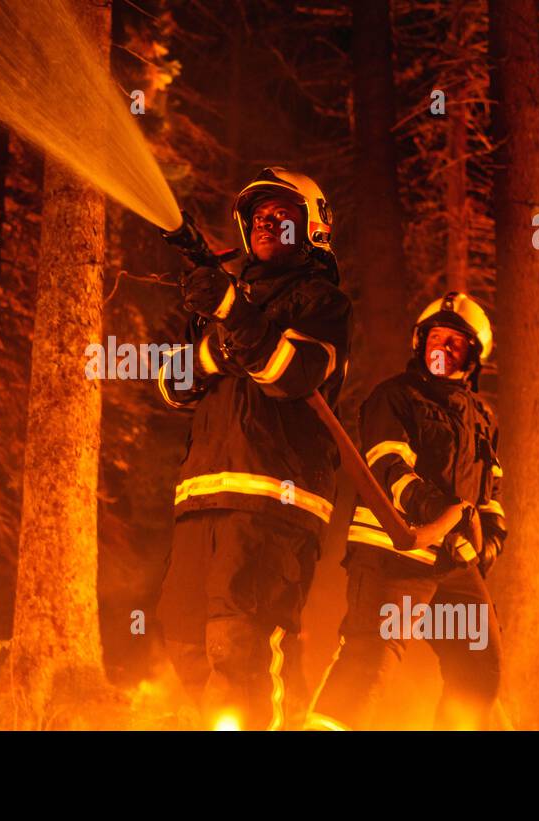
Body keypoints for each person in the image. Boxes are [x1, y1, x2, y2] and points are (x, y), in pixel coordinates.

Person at [156, 168, 352, 729]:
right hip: (203, 493)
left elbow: (290, 375)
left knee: (242, 641)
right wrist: (219, 323)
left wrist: (230, 316)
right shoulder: (229, 299)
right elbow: (173, 386)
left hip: (274, 498)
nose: (267, 223)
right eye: (259, 216)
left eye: (282, 215)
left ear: (313, 228)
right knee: (185, 636)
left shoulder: (322, 301)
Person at [307, 292, 506, 730]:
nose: (443, 348)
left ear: (474, 355)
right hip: (394, 554)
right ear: (420, 343)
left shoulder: (482, 417)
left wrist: (489, 542)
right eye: (436, 338)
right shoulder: (394, 397)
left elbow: (490, 493)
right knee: (370, 659)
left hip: (455, 567)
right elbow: (388, 466)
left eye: (455, 342)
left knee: (479, 667)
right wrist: (442, 518)